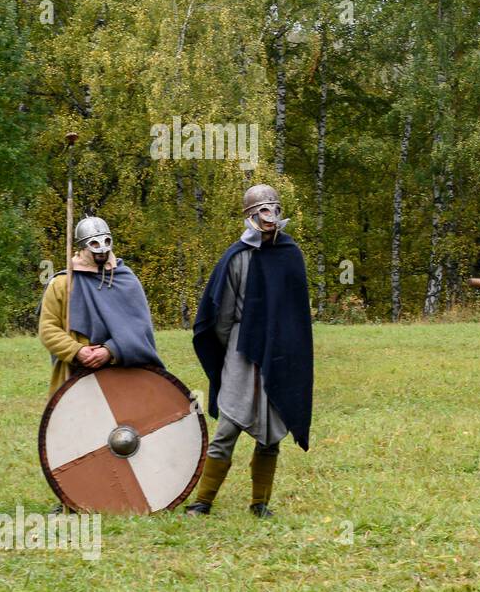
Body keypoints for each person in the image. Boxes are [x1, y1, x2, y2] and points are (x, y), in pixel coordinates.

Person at [186, 185, 313, 518]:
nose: (269, 218)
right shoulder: (238, 257)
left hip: (280, 351)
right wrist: (234, 353)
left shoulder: (291, 255)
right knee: (228, 426)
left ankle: (260, 504)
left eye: (273, 211)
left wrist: (286, 347)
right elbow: (222, 317)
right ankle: (203, 502)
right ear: (251, 216)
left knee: (272, 432)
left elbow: (296, 312)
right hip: (242, 351)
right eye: (262, 212)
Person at [38, 216, 163, 398]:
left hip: (123, 374)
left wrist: (110, 351)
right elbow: (48, 329)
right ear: (82, 247)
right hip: (75, 374)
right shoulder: (62, 284)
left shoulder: (126, 279)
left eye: (106, 242)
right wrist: (77, 350)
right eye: (95, 245)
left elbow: (139, 329)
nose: (102, 250)